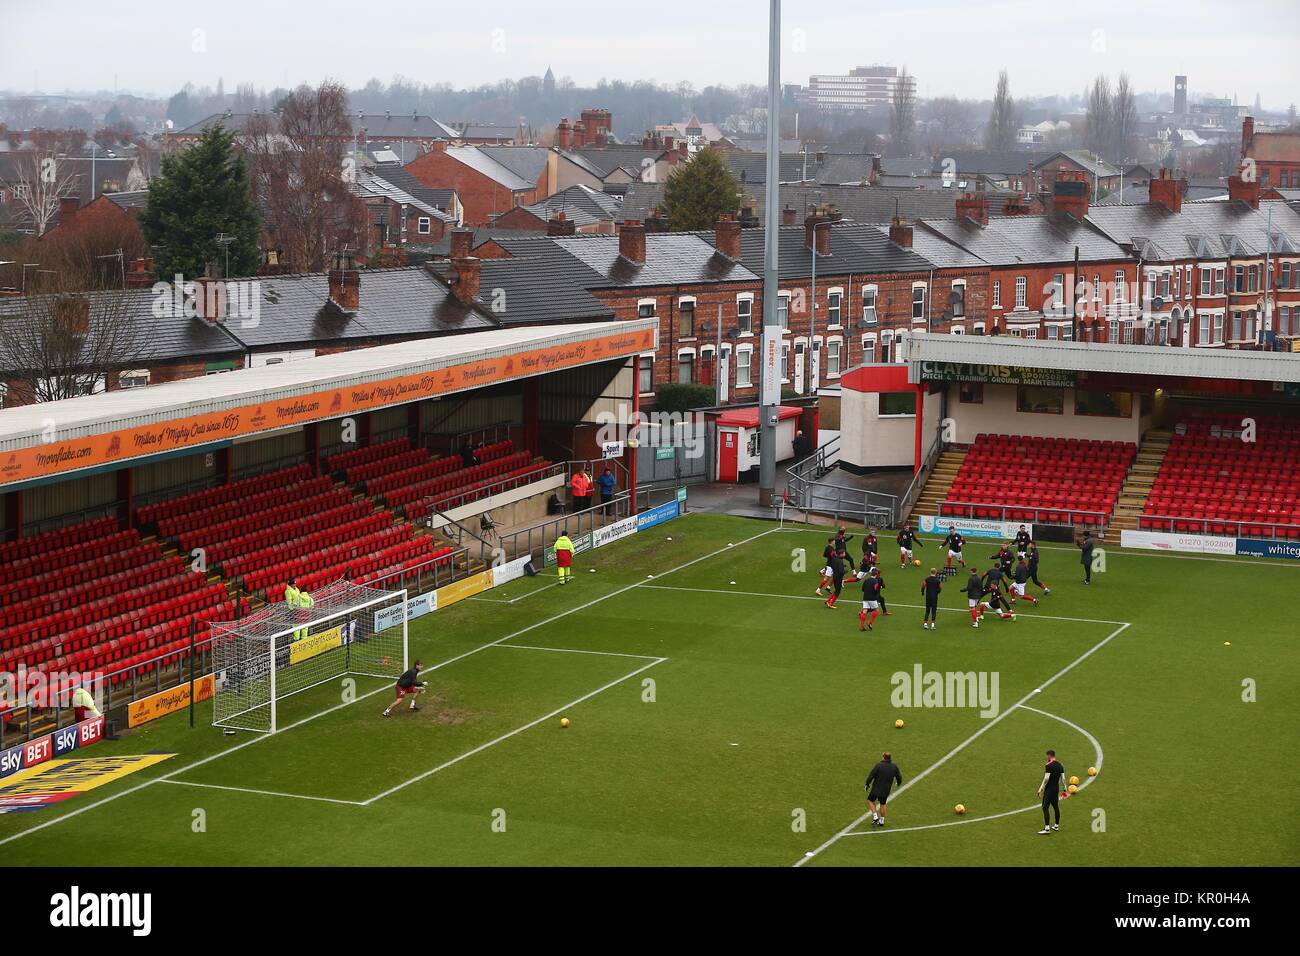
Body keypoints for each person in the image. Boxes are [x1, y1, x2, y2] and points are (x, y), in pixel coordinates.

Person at [865, 751, 903, 827]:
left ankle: (875, 817)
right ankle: (882, 820)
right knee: (883, 803)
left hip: (876, 788)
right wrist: (898, 783)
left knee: (871, 801)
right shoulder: (894, 766)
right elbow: (899, 777)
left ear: (883, 757)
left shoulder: (878, 765)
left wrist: (867, 784)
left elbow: (871, 776)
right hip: (886, 790)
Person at [1037, 749, 1067, 834]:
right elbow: (1063, 779)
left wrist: (1041, 789)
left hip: (1049, 789)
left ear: (1049, 755)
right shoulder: (1060, 765)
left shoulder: (1048, 765)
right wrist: (1065, 789)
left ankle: (1047, 829)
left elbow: (1046, 779)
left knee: (1045, 807)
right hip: (1056, 789)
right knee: (1056, 807)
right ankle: (1056, 826)